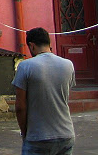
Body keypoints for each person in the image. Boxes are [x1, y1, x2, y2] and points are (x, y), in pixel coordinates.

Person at [12, 27, 76, 155]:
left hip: (38, 137)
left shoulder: (25, 66)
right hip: (66, 134)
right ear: (49, 43)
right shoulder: (68, 65)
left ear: (32, 45)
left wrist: (25, 133)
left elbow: (20, 107)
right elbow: (65, 97)